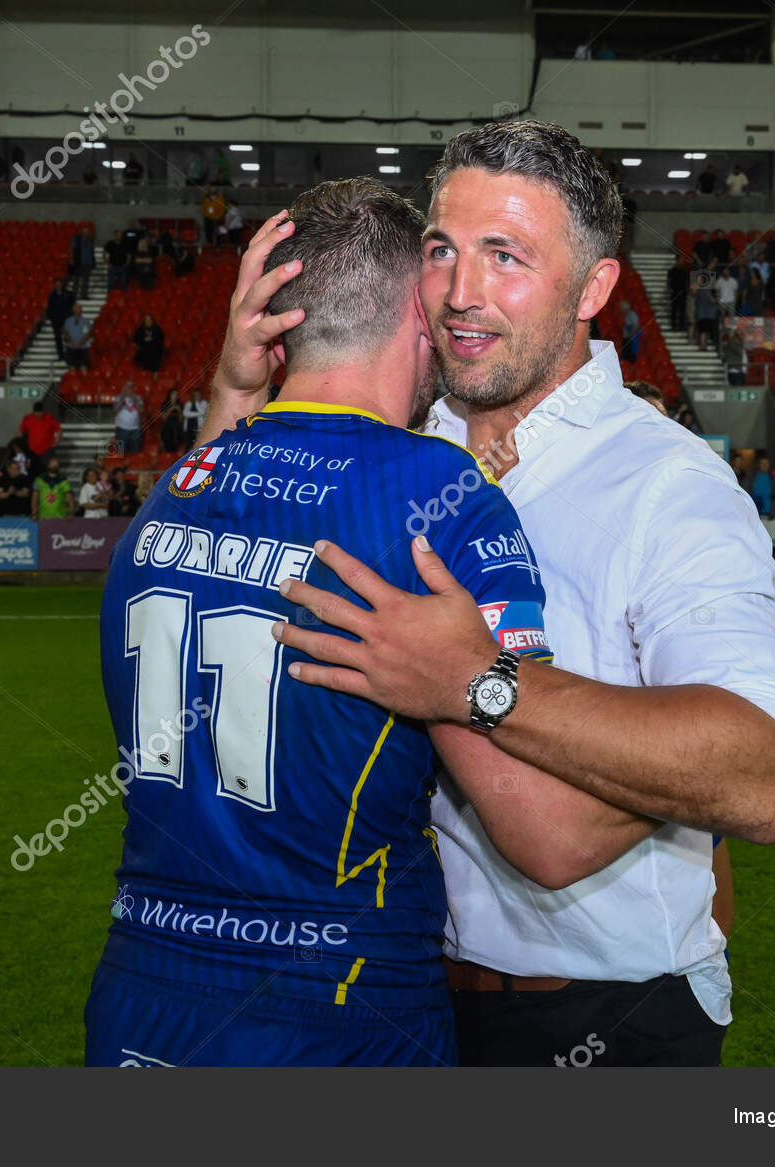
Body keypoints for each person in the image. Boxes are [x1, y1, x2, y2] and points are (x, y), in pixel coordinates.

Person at [204, 123, 775, 1067]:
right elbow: (218, 564)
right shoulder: (408, 444)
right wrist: (235, 392)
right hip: (400, 989)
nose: (461, 292)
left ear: (595, 289)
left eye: (506, 256)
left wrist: (477, 683)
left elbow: (766, 775)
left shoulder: (666, 481)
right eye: (441, 249)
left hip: (600, 1017)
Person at [87, 177, 578, 1068]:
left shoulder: (172, 493)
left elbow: (235, 499)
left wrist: (234, 383)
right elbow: (543, 827)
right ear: (419, 314)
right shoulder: (442, 493)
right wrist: (700, 785)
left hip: (139, 990)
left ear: (279, 325)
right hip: (339, 1004)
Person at [18, 401, 61, 472]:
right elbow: (20, 431)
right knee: (33, 468)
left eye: (40, 413)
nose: (38, 415)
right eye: (36, 413)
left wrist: (56, 442)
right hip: (32, 450)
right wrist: (20, 443)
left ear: (43, 411)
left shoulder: (50, 417)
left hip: (47, 449)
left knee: (47, 469)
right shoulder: (28, 418)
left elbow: (59, 430)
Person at [31, 455, 73, 521]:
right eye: (52, 463)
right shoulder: (39, 479)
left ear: (59, 466)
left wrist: (71, 513)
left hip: (60, 517)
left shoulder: (64, 480)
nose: (54, 465)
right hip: (43, 517)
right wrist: (34, 513)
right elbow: (34, 497)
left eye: (56, 464)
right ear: (48, 465)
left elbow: (70, 498)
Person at [45, 278, 75, 359]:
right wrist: (51, 317)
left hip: (66, 320)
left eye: (59, 285)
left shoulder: (69, 294)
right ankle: (60, 355)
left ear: (62, 285)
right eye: (56, 285)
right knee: (58, 338)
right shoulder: (52, 295)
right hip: (56, 320)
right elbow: (50, 307)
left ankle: (69, 354)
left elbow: (72, 306)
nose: (58, 286)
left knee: (68, 338)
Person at [113, 384, 144, 454]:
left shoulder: (138, 398)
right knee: (119, 452)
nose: (129, 389)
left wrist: (134, 399)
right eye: (127, 387)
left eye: (130, 387)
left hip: (135, 429)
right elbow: (115, 410)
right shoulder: (118, 397)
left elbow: (141, 410)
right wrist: (122, 399)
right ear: (124, 389)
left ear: (133, 389)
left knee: (135, 452)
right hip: (121, 429)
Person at [63, 303, 93, 369]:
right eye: (75, 308)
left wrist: (80, 343)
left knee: (83, 366)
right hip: (71, 347)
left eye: (78, 308)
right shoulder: (68, 321)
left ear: (81, 310)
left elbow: (88, 334)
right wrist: (72, 342)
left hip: (82, 348)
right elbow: (65, 333)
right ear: (73, 310)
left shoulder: (86, 322)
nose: (77, 310)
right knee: (71, 367)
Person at [666, 254, 689, 332]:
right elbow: (669, 281)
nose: (682, 261)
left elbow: (686, 282)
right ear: (677, 260)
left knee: (682, 310)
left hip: (683, 293)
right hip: (674, 292)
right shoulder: (672, 270)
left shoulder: (684, 271)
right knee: (674, 310)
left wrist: (687, 290)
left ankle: (681, 326)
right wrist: (669, 289)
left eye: (682, 260)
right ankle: (673, 326)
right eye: (681, 260)